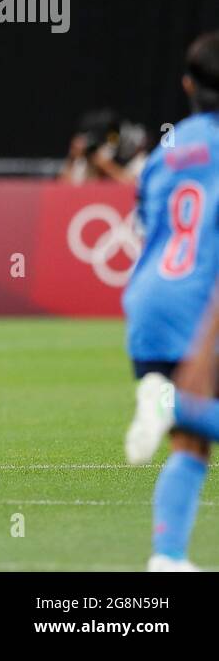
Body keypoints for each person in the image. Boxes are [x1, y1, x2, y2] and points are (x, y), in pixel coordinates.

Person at [122, 31, 219, 570]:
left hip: (151, 300)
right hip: (201, 298)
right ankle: (170, 403)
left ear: (188, 86)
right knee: (190, 419)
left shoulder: (170, 147)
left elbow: (148, 219)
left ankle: (168, 558)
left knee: (191, 443)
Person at [59, 109, 150, 184]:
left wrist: (106, 166)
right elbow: (60, 189)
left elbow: (132, 185)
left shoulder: (141, 161)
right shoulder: (85, 160)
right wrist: (72, 158)